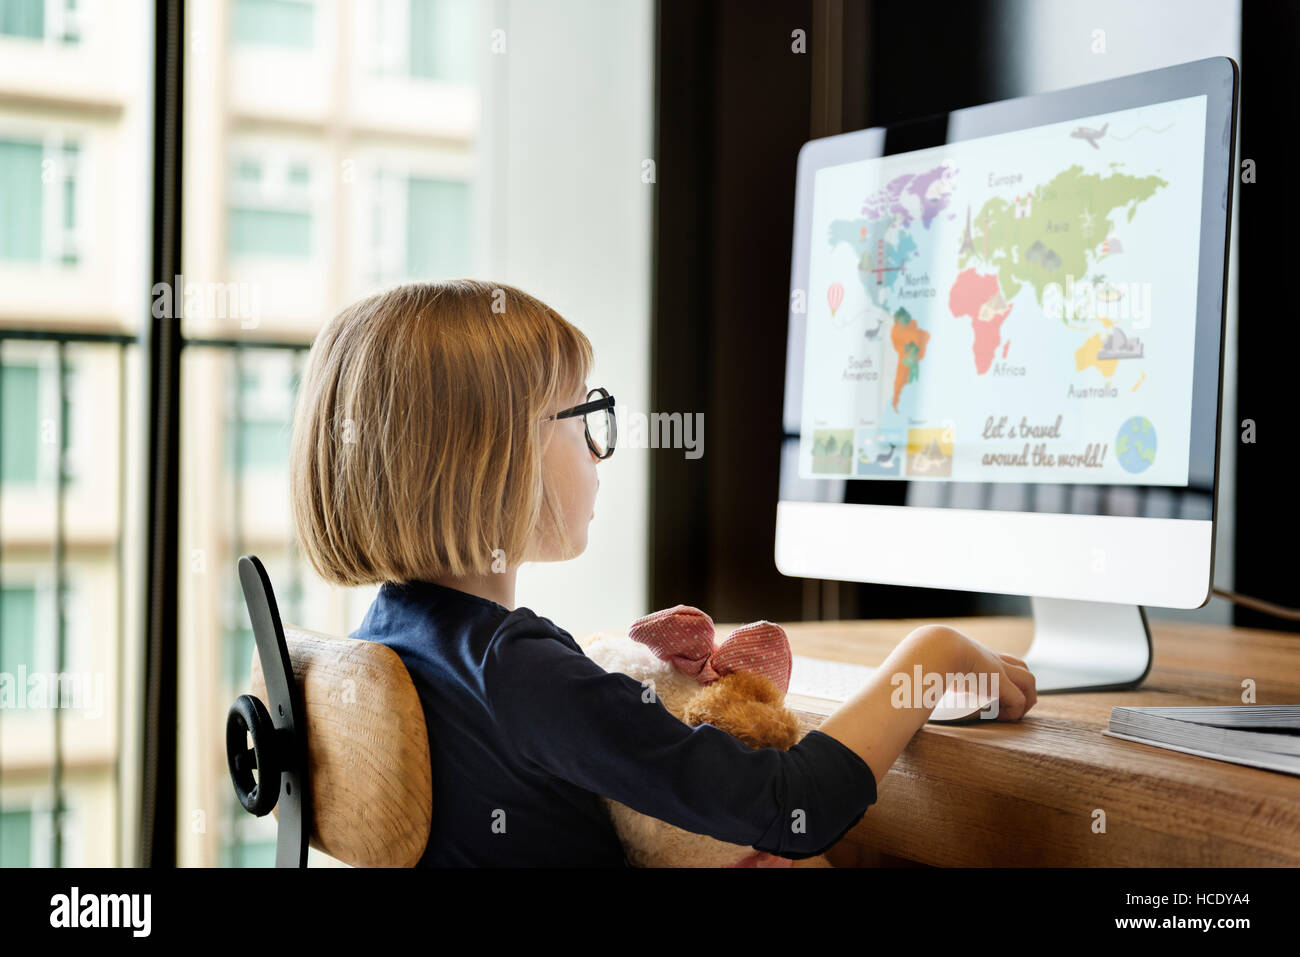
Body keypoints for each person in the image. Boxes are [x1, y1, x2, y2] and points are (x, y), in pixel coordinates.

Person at [288, 279, 1037, 866]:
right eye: (583, 416)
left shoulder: (390, 639)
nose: (597, 446)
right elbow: (794, 808)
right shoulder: (517, 674)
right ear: (495, 455)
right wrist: (930, 657)